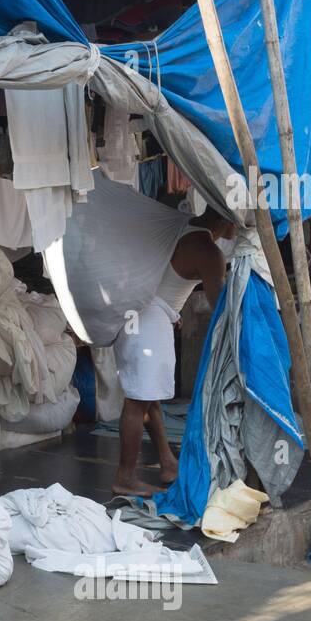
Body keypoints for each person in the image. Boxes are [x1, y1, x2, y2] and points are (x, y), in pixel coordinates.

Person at [112, 210, 236, 496]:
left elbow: (165, 277)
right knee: (137, 403)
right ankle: (125, 477)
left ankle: (168, 462)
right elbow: (220, 307)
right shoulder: (209, 251)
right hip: (149, 319)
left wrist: (171, 308)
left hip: (138, 309)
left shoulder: (180, 224)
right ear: (226, 219)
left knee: (147, 398)